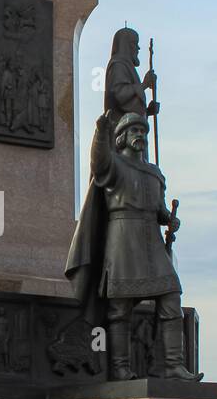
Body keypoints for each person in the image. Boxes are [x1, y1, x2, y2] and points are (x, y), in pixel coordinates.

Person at [65, 109, 203, 382]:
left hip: (151, 239)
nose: (140, 135)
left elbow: (159, 209)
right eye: (134, 131)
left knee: (171, 296)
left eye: (143, 131)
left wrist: (169, 220)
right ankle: (120, 368)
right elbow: (98, 162)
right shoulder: (114, 165)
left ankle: (172, 364)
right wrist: (100, 131)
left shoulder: (155, 173)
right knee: (120, 308)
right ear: (121, 138)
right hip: (123, 238)